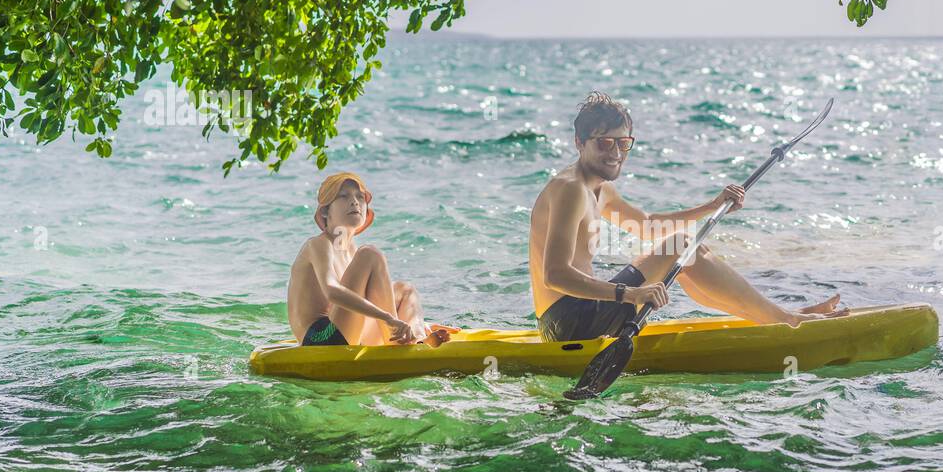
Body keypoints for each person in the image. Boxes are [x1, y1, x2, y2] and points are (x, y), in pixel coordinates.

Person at [529, 92, 848, 342]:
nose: (615, 152)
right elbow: (555, 275)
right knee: (682, 246)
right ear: (579, 143)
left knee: (686, 251)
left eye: (623, 143)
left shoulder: (599, 188)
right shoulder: (570, 189)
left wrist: (712, 205)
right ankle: (787, 321)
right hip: (569, 321)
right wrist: (631, 294)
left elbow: (648, 227)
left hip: (579, 315)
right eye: (604, 143)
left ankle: (781, 317)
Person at [287, 172, 452, 347]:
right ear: (326, 211)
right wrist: (388, 318)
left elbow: (372, 302)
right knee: (370, 253)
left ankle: (417, 337)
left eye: (360, 197)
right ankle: (399, 342)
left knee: (405, 290)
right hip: (319, 338)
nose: (355, 202)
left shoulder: (352, 251)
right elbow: (332, 291)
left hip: (343, 332)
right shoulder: (319, 244)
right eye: (344, 196)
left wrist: (414, 322)